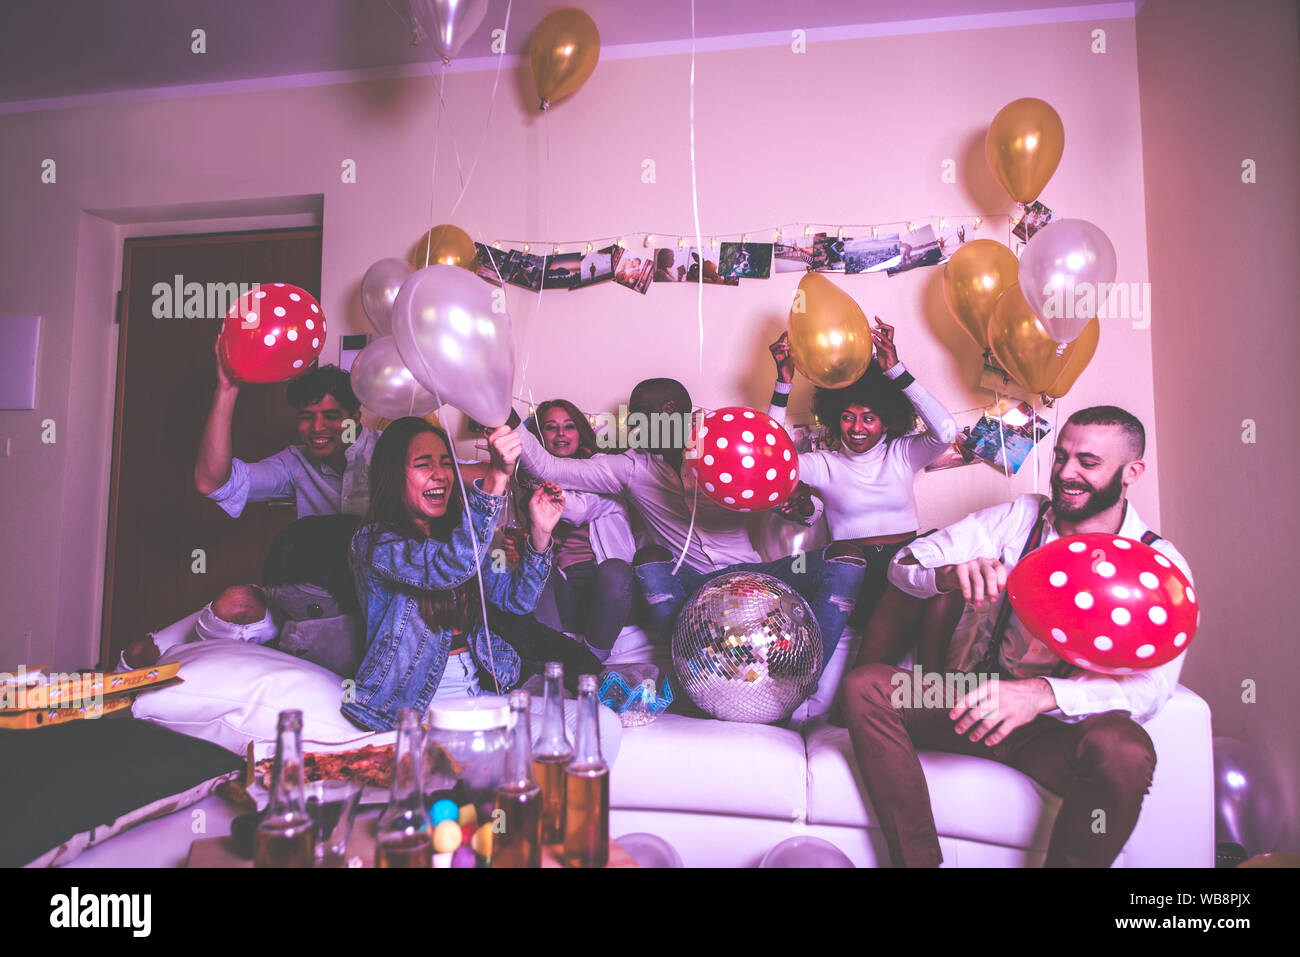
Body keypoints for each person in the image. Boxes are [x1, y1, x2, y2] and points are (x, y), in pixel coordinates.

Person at [839, 406, 1195, 867]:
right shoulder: (1022, 516)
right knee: (866, 686)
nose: (1065, 473)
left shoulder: (1159, 566)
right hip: (972, 701)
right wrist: (948, 573)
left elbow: (1151, 687)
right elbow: (904, 564)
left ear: (1132, 472)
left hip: (1057, 731)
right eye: (1061, 456)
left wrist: (1040, 695)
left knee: (1125, 748)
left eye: (1088, 462)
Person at [512, 378, 865, 676]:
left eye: (639, 415)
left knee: (846, 556)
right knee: (648, 558)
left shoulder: (725, 449)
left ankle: (806, 673)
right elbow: (548, 468)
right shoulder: (630, 469)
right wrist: (503, 417)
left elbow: (807, 511)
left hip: (752, 575)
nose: (631, 425)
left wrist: (802, 505)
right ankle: (692, 672)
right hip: (693, 585)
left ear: (669, 413)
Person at [344, 418, 592, 731]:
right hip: (419, 710)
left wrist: (540, 533)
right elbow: (446, 569)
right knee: (562, 734)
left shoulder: (455, 537)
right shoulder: (375, 542)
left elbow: (517, 600)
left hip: (474, 693)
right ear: (393, 475)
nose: (440, 474)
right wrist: (496, 477)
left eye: (446, 463)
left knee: (598, 722)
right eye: (423, 464)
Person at [766, 321, 957, 635]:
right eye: (847, 417)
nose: (857, 428)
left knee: (949, 572)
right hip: (855, 573)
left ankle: (933, 667)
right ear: (834, 418)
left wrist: (896, 371)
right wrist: (783, 384)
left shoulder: (903, 453)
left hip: (907, 562)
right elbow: (772, 464)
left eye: (868, 418)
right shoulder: (825, 464)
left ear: (886, 423)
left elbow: (946, 431)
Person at [194, 336, 378, 518]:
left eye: (331, 417)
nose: (317, 428)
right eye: (307, 417)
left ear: (354, 419)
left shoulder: (386, 449)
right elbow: (212, 484)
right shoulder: (295, 462)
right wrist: (227, 389)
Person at [519, 399, 636, 662]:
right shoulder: (528, 488)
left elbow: (577, 510)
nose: (561, 434)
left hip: (608, 586)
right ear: (540, 437)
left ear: (580, 432)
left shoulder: (604, 470)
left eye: (569, 426)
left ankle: (591, 658)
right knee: (533, 571)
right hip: (566, 586)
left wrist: (533, 476)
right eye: (551, 427)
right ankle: (551, 656)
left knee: (615, 570)